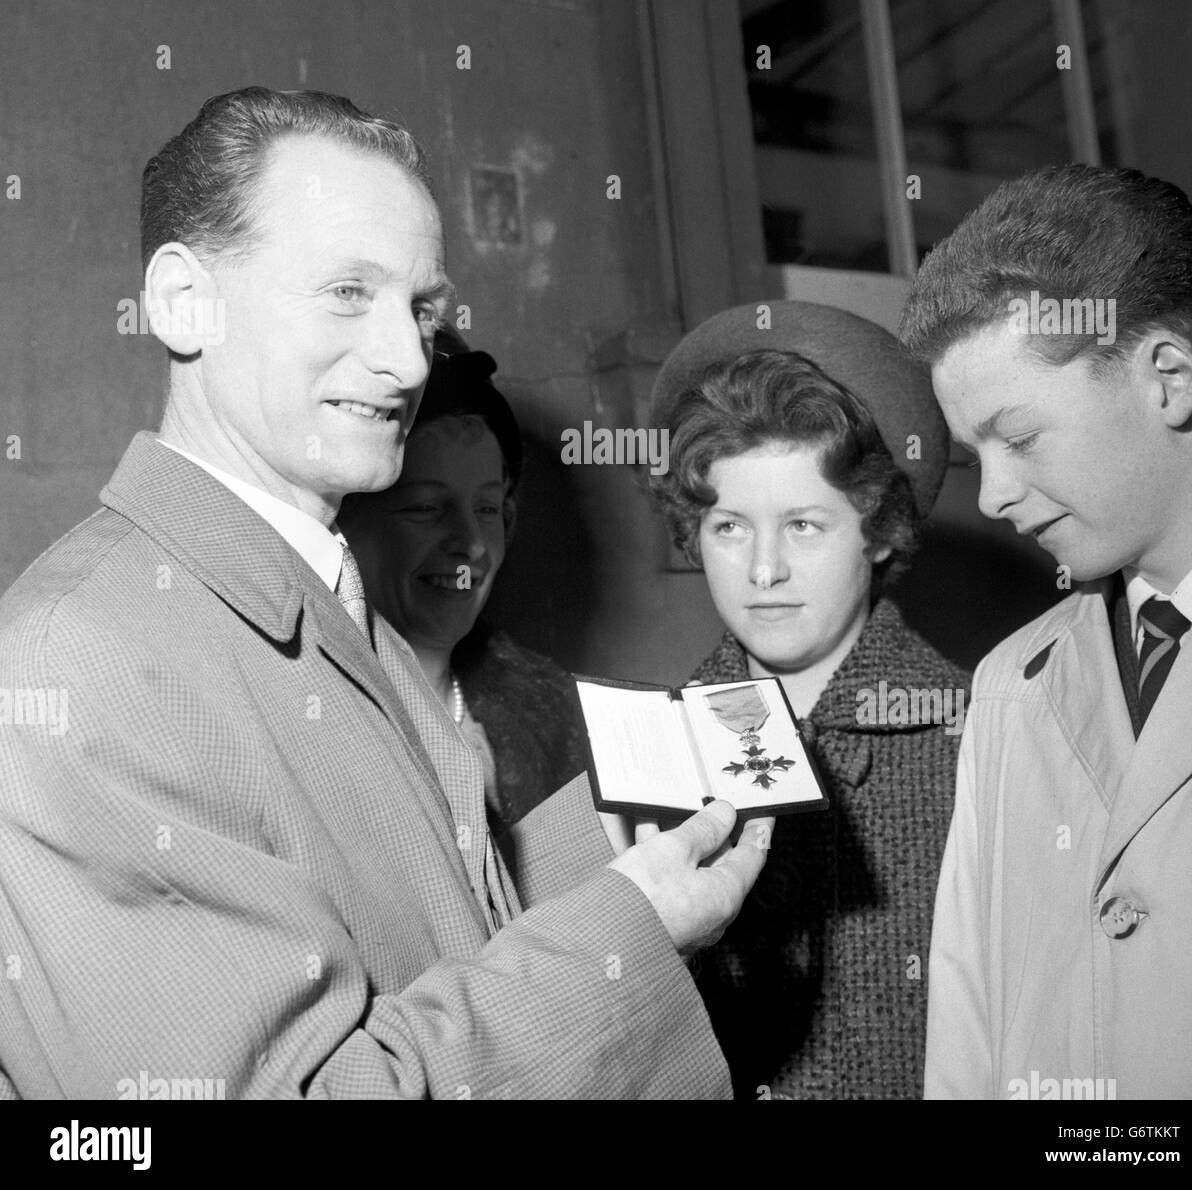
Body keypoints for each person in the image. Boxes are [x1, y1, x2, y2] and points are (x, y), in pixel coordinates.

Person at [0, 86, 771, 1100]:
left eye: (419, 308)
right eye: (345, 294)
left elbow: (429, 932)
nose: (409, 360)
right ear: (184, 301)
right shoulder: (78, 661)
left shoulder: (328, 593)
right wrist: (633, 926)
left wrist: (616, 840)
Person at [899, 163, 1192, 1100]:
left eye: (1022, 437)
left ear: (1168, 376)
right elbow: (966, 1019)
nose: (994, 494)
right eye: (977, 457)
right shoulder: (1012, 683)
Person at [648, 302, 969, 1099]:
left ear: (881, 529)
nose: (763, 570)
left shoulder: (983, 734)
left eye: (803, 526)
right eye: (729, 527)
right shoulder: (651, 747)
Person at [340, 328, 587, 830]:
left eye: (488, 508)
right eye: (427, 507)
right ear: (345, 519)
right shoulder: (308, 714)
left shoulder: (557, 713)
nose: (471, 544)